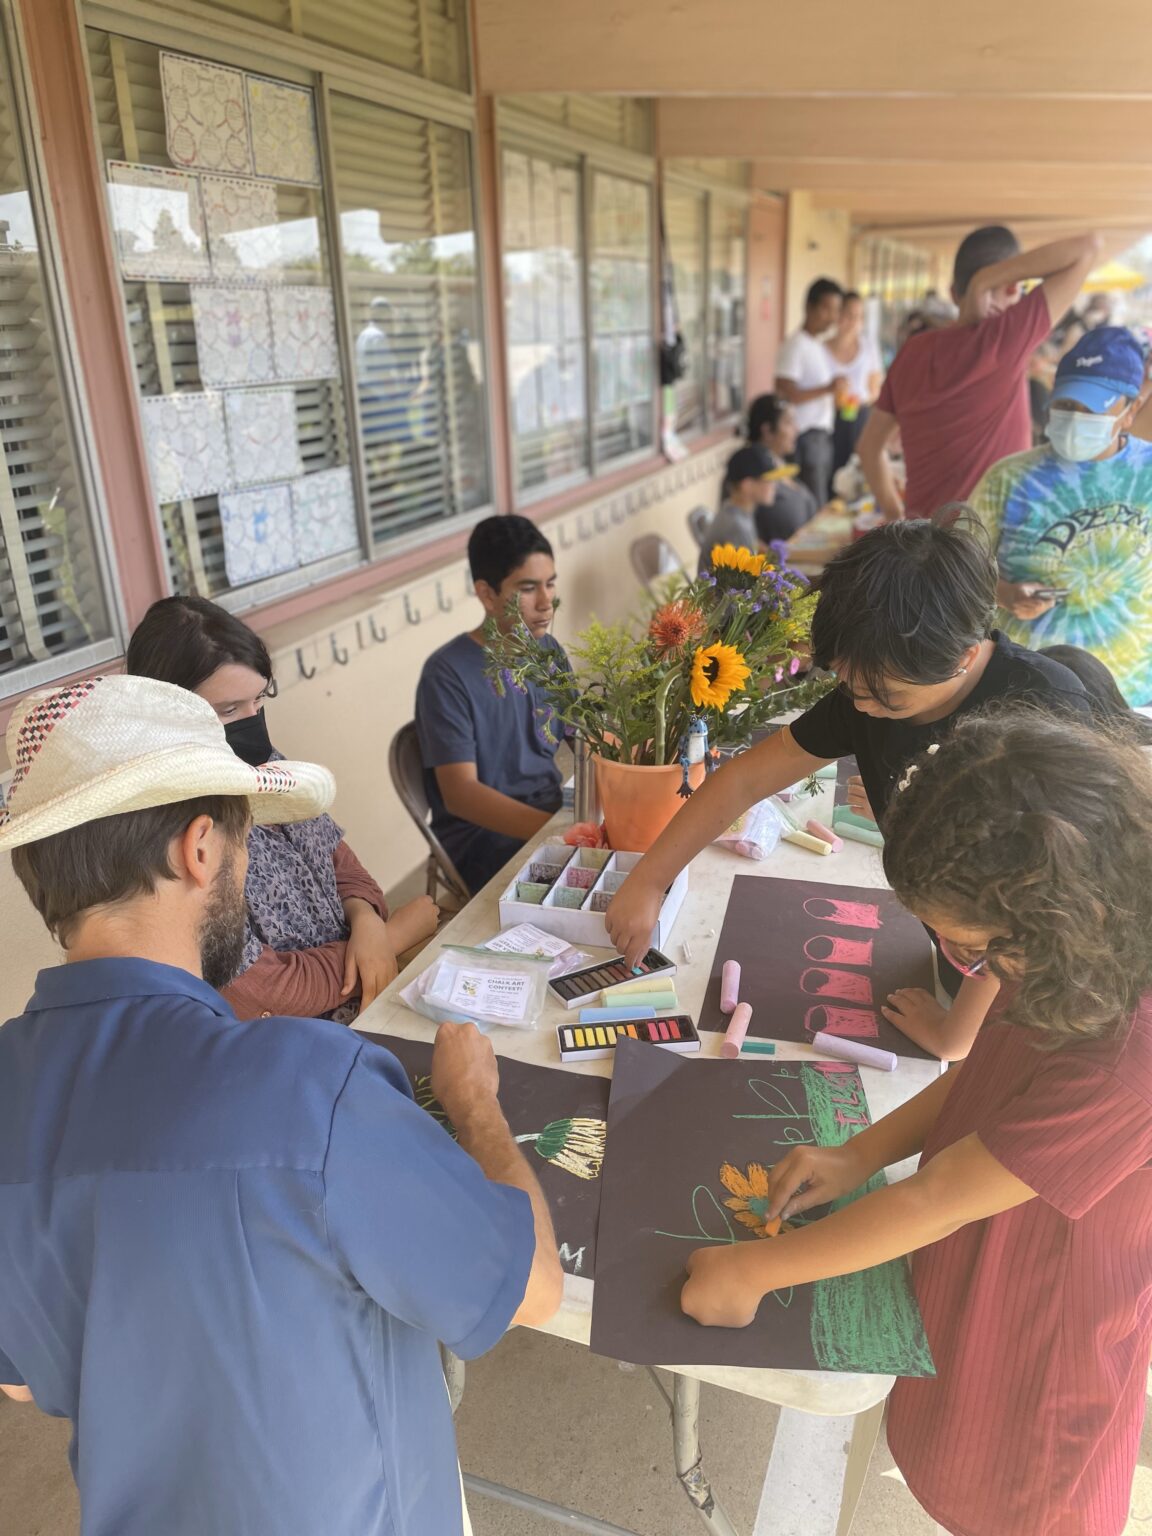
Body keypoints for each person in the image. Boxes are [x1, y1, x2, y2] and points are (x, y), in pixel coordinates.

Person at [0, 674, 563, 1536]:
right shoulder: (307, 1086)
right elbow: (531, 1288)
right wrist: (476, 1105)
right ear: (199, 850)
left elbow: (22, 1376)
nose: (247, 860)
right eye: (242, 841)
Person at [680, 710, 1152, 1536]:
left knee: (1012, 1495)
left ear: (1047, 911)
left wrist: (758, 1272)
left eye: (973, 952)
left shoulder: (1127, 1056)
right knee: (939, 1415)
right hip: (986, 1247)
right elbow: (992, 1075)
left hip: (1045, 1316)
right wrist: (858, 1152)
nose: (971, 970)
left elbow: (934, 1199)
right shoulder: (1076, 941)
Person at [605, 518, 1092, 1048]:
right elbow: (745, 781)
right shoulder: (874, 681)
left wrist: (956, 1034)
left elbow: (1022, 901)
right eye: (845, 682)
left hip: (1038, 992)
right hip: (954, 951)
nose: (859, 703)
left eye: (882, 695)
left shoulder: (1042, 710)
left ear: (964, 658)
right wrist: (651, 878)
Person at [127, 596, 440, 1020]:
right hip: (294, 1047)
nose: (252, 722)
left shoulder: (266, 764)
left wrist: (366, 920)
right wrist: (394, 936)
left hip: (364, 1002)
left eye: (259, 700)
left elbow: (344, 867)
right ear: (170, 713)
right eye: (229, 710)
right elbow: (263, 992)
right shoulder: (173, 834)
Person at [858, 225, 1100, 519]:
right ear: (1012, 286)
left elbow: (869, 449)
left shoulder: (912, 352)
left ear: (951, 293)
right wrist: (987, 280)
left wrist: (896, 515)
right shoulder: (1004, 338)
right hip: (988, 549)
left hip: (922, 543)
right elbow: (1088, 247)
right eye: (1018, 287)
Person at [968, 326, 1152, 706]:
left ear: (1131, 410)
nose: (1075, 418)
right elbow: (955, 570)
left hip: (1132, 690)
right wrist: (1003, 593)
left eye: (1091, 410)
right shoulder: (1009, 477)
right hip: (1027, 689)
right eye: (1066, 405)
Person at [417, 514, 569, 896]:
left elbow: (587, 738)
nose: (546, 603)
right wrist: (555, 831)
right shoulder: (447, 674)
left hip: (551, 814)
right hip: (485, 842)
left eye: (550, 585)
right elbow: (462, 795)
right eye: (528, 588)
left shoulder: (547, 652)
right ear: (487, 594)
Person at [774, 277, 845, 507]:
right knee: (812, 506)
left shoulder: (817, 345)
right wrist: (827, 388)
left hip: (821, 436)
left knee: (820, 502)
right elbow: (786, 393)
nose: (832, 317)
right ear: (809, 307)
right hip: (804, 437)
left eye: (835, 311)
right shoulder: (795, 345)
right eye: (826, 309)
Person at [744, 394, 819, 544]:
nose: (796, 429)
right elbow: (745, 538)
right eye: (789, 422)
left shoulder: (779, 463)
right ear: (767, 431)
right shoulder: (748, 473)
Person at [824, 291, 883, 474]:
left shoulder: (869, 346)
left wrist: (860, 399)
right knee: (832, 468)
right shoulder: (821, 348)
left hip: (861, 415)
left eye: (859, 317)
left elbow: (876, 387)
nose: (854, 322)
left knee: (857, 470)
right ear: (838, 315)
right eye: (849, 315)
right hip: (829, 416)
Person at [697, 445, 777, 571]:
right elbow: (743, 587)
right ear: (747, 485)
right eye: (769, 480)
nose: (774, 485)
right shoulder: (736, 527)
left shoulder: (738, 511)